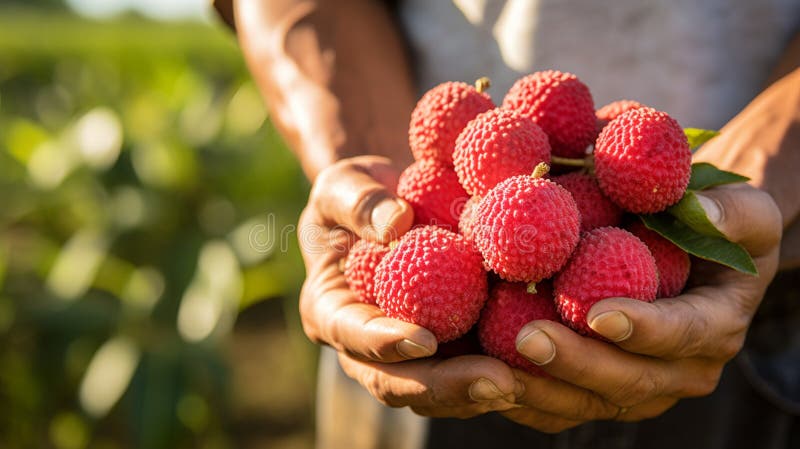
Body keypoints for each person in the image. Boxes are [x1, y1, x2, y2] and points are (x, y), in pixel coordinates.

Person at [214, 1, 800, 447]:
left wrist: (756, 191)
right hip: (429, 356)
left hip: (763, 309)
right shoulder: (438, 225)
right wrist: (370, 181)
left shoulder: (611, 206)